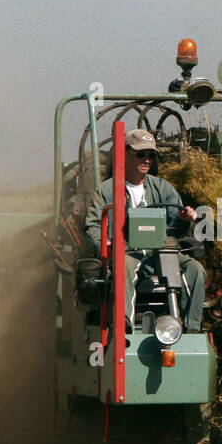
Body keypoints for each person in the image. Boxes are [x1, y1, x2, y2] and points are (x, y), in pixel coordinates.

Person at [84, 129, 206, 332]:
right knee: (123, 266)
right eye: (141, 154)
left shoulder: (163, 188)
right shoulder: (107, 190)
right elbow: (93, 225)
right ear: (124, 154)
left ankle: (192, 329)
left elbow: (175, 229)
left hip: (161, 253)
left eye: (151, 155)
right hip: (126, 253)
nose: (146, 160)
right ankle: (125, 329)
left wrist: (185, 220)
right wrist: (104, 247)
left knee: (195, 269)